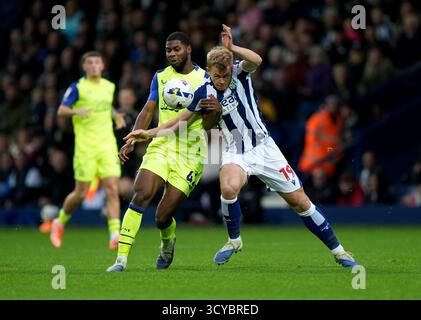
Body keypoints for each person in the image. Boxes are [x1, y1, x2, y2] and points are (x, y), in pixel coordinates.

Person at [126, 25, 358, 268]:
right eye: (217, 76)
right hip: (236, 150)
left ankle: (339, 251)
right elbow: (176, 123)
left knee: (301, 202)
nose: (222, 80)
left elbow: (257, 59)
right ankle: (234, 240)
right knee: (227, 188)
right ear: (209, 72)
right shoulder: (203, 91)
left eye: (225, 75)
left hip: (264, 147)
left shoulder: (240, 73)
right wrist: (146, 133)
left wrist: (232, 48)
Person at [106, 32, 221, 272]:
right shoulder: (160, 77)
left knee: (162, 217)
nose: (172, 54)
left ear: (188, 49)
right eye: (168, 50)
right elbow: (148, 111)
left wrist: (214, 112)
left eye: (176, 49)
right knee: (141, 193)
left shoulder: (205, 80)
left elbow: (209, 124)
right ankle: (121, 259)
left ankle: (168, 242)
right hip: (161, 145)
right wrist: (133, 138)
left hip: (191, 153)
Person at [50, 51, 126, 250]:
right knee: (81, 193)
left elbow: (107, 106)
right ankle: (59, 222)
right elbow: (61, 110)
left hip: (107, 145)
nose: (94, 65)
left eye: (97, 62)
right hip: (85, 148)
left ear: (103, 66)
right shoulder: (77, 88)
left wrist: (116, 116)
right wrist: (76, 111)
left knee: (112, 189)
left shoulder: (109, 87)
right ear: (84, 67)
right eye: (90, 63)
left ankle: (114, 234)